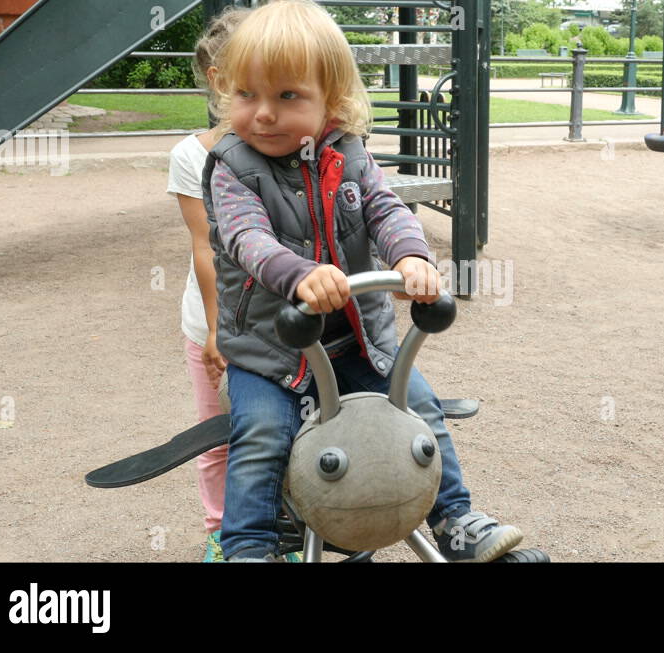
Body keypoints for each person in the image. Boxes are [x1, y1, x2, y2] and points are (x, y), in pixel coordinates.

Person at [205, 0, 523, 562]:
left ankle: (455, 517)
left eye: (287, 96)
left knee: (417, 409)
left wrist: (411, 257)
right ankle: (248, 548)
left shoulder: (349, 154)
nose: (263, 114)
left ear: (333, 99)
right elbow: (246, 240)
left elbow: (385, 208)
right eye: (246, 94)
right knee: (261, 437)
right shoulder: (232, 168)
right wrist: (302, 275)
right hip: (270, 352)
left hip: (355, 340)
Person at [166, 6, 294, 563]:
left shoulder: (291, 146)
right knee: (221, 435)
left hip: (285, 325)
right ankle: (225, 533)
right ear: (221, 82)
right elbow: (205, 248)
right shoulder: (193, 155)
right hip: (217, 324)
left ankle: (284, 532)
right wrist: (219, 330)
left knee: (283, 433)